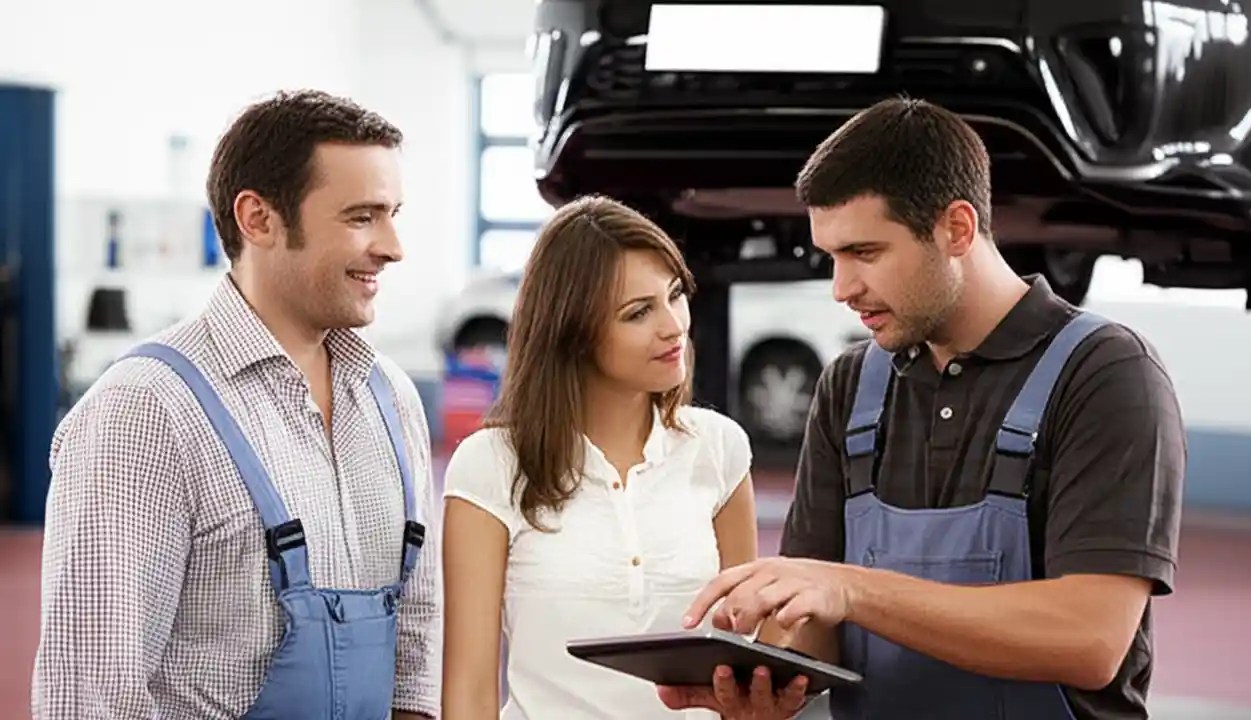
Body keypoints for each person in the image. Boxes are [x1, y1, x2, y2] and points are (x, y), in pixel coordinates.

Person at [658, 96, 1186, 719]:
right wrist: (769, 669)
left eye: (865, 253)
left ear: (956, 229)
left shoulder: (1107, 376)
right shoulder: (849, 385)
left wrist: (851, 589)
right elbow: (823, 621)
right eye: (831, 257)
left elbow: (1090, 639)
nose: (841, 288)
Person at [32, 90, 441, 720]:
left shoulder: (390, 399)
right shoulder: (144, 412)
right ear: (258, 219)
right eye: (362, 217)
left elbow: (415, 644)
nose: (393, 246)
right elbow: (90, 695)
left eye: (394, 214)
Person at [439, 195, 760, 718]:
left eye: (675, 294)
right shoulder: (489, 465)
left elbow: (741, 664)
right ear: (573, 331)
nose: (673, 325)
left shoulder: (720, 448)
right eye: (638, 312)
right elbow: (469, 694)